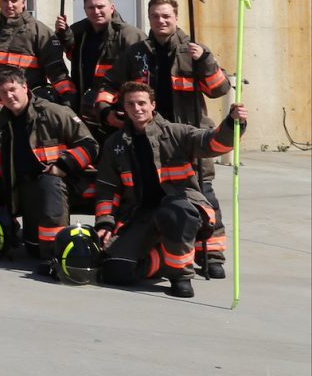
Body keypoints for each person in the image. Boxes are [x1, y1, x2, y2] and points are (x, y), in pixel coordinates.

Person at [108, 0, 232, 277]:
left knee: (203, 191)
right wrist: (106, 111)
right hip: (151, 136)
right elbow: (111, 84)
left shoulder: (196, 51)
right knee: (162, 196)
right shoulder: (136, 52)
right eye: (155, 16)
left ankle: (211, 255)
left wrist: (206, 60)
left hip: (187, 135)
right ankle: (173, 251)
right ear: (149, 19)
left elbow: (219, 89)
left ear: (176, 18)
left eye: (166, 16)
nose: (161, 21)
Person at [94, 83, 246, 297]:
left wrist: (232, 122)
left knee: (173, 212)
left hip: (181, 209)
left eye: (142, 103)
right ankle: (162, 259)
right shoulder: (115, 144)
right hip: (141, 215)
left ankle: (180, 276)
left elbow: (213, 143)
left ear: (153, 105)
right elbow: (107, 189)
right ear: (124, 108)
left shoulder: (176, 133)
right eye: (131, 104)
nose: (137, 108)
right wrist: (105, 222)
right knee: (115, 270)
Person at [0, 67, 96, 265]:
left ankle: (56, 255)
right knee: (33, 249)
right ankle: (41, 245)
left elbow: (90, 145)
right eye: (3, 93)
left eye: (13, 89)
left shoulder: (55, 113)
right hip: (24, 188)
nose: (9, 95)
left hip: (58, 185)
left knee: (49, 185)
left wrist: (63, 166)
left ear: (25, 87)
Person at [0, 0, 73, 103]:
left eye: (14, 1)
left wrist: (68, 100)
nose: (9, 5)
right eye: (5, 1)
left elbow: (57, 72)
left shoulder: (41, 32)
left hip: (26, 107)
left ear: (23, 3)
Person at [60, 0, 145, 126]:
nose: (96, 11)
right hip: (84, 109)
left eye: (100, 6)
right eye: (91, 8)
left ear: (112, 8)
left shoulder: (130, 35)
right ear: (84, 10)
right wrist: (63, 36)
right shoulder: (79, 31)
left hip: (115, 110)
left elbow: (140, 77)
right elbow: (72, 57)